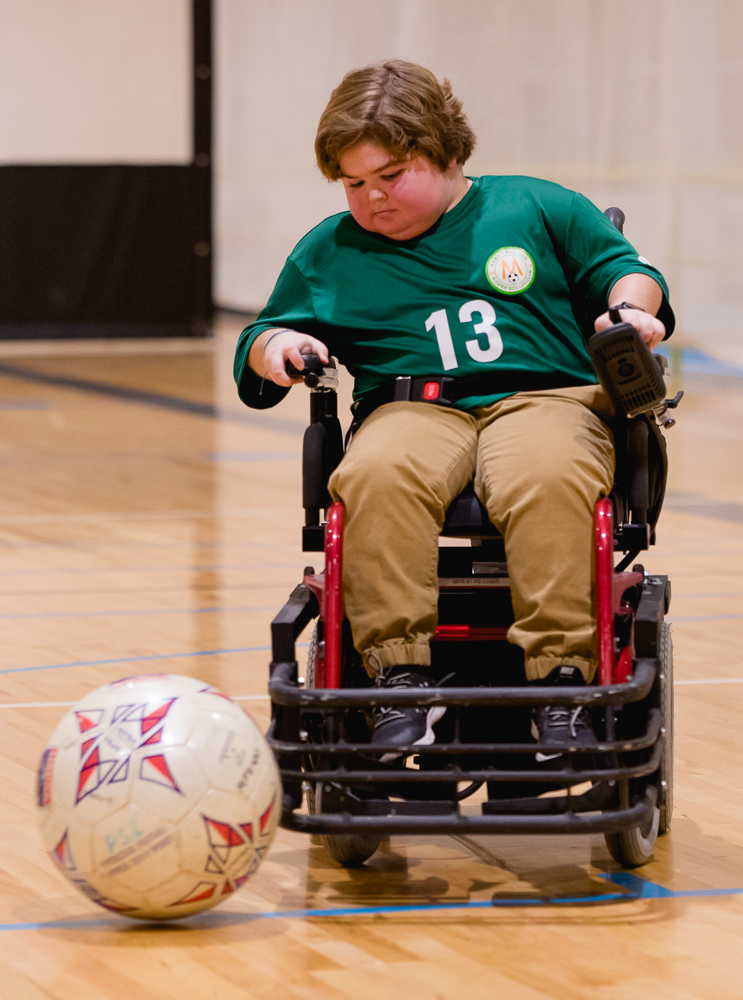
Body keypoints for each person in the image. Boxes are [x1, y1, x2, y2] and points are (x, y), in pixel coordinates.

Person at [234, 60, 674, 756]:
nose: (373, 197)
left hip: (543, 399)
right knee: (374, 473)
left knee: (548, 473)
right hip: (412, 408)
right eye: (355, 183)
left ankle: (559, 682)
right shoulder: (331, 250)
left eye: (392, 175)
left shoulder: (535, 206)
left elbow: (632, 273)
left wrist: (629, 313)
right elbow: (259, 338)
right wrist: (282, 345)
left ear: (445, 152)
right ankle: (398, 679)